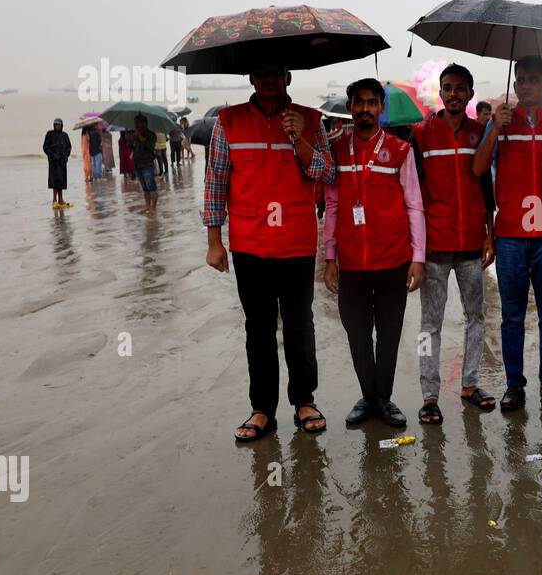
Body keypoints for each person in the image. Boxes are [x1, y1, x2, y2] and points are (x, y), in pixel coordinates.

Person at [203, 63, 335, 441]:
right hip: (249, 245)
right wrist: (215, 242)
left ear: (287, 77)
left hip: (296, 244)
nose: (269, 79)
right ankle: (262, 409)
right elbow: (215, 181)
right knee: (258, 329)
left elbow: (327, 174)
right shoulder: (228, 122)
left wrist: (300, 139)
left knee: (299, 325)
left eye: (276, 72)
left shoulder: (311, 120)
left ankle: (304, 400)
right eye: (261, 73)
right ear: (251, 78)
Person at [323, 78, 426, 426]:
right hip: (351, 262)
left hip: (392, 259)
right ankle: (367, 397)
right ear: (350, 107)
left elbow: (414, 205)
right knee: (356, 332)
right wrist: (329, 259)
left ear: (381, 108)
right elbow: (333, 205)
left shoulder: (400, 150)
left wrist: (418, 257)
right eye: (359, 102)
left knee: (389, 333)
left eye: (371, 102)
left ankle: (385, 398)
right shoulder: (337, 150)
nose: (365, 108)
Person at [471, 55, 542, 412]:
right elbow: (478, 168)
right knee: (511, 315)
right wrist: (495, 128)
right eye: (520, 79)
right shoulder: (500, 122)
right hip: (509, 232)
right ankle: (515, 385)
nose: (525, 85)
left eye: (532, 79)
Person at [410, 63, 497, 424]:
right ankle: (429, 395)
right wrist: (414, 247)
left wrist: (490, 231)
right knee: (429, 325)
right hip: (433, 245)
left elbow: (486, 187)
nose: (454, 94)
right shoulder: (421, 134)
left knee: (476, 317)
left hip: (471, 243)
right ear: (440, 93)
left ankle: (470, 384)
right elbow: (412, 194)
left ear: (470, 93)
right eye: (448, 88)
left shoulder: (481, 133)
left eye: (461, 88)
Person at [129, 115, 159, 213]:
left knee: (151, 186)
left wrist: (140, 137)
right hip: (137, 164)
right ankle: (147, 206)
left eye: (140, 122)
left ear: (145, 123)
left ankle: (153, 208)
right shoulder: (135, 134)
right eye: (136, 123)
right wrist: (132, 137)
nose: (138, 125)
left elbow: (150, 147)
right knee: (144, 188)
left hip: (147, 163)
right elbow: (131, 146)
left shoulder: (151, 134)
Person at [42, 118, 72, 208]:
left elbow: (69, 147)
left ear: (62, 126)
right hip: (53, 162)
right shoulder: (49, 134)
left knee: (61, 181)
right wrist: (52, 155)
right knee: (55, 181)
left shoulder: (65, 135)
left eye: (59, 125)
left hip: (62, 162)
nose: (57, 126)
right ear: (54, 125)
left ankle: (61, 199)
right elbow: (45, 147)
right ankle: (54, 199)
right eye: (56, 125)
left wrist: (66, 155)